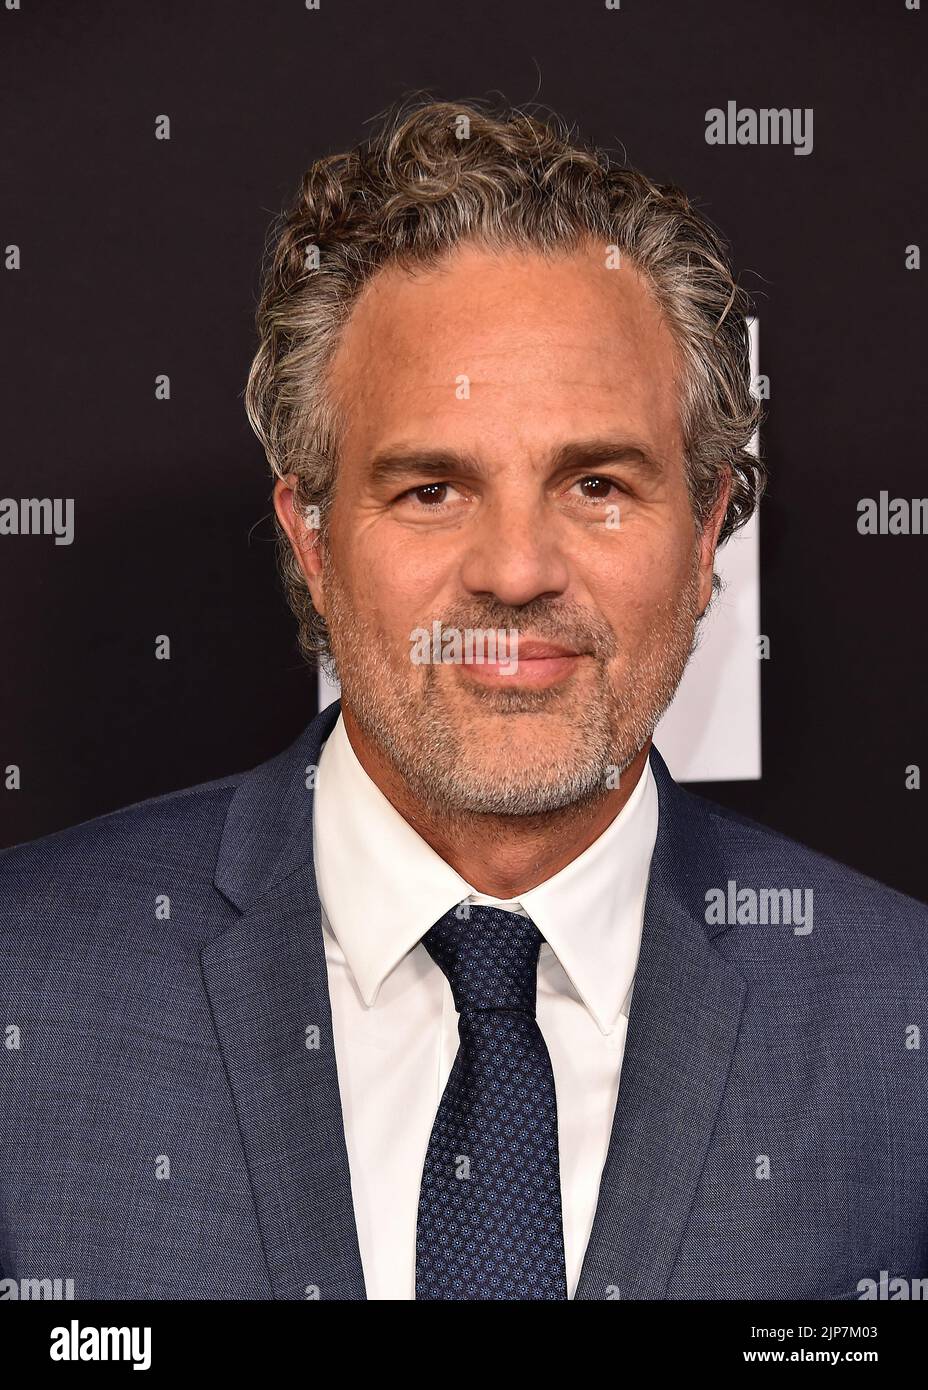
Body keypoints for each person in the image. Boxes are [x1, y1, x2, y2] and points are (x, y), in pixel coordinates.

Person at [1, 97, 925, 1302]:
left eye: (596, 482)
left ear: (706, 539)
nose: (515, 568)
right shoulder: (28, 988)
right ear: (314, 543)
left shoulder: (898, 1028)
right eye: (432, 489)